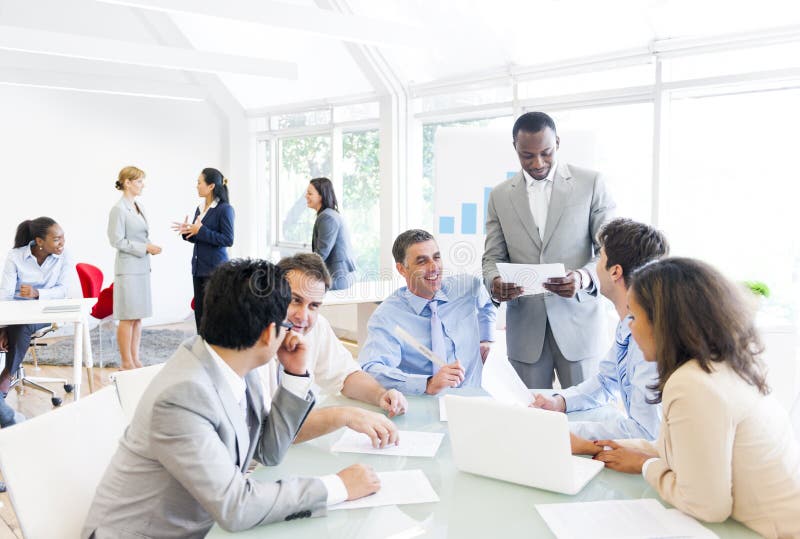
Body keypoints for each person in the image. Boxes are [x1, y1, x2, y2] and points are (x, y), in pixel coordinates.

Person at [82, 259, 381, 538]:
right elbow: (236, 507)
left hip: (203, 524)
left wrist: (294, 374)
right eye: (288, 317)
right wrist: (338, 486)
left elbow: (269, 451)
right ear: (268, 333)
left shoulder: (235, 360)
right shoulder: (182, 395)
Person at [588, 258, 800, 538]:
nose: (629, 327)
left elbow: (707, 506)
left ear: (664, 324)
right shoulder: (722, 364)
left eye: (634, 317)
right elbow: (683, 448)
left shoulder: (692, 384)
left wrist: (644, 465)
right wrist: (593, 446)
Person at [483, 111, 615, 389]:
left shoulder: (591, 183)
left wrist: (582, 278)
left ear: (557, 142)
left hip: (579, 328)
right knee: (530, 423)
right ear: (515, 149)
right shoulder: (499, 196)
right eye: (527, 156)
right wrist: (495, 283)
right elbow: (492, 257)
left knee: (585, 421)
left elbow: (608, 249)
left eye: (546, 152)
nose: (538, 163)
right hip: (525, 333)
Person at [533, 218, 667, 441]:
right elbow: (606, 382)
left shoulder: (649, 341)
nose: (595, 268)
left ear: (615, 272)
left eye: (600, 258)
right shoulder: (627, 324)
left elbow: (646, 433)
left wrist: (563, 432)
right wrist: (559, 402)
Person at [254, 253, 406, 448]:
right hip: (253, 464)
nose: (303, 316)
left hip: (290, 451)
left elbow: (346, 375)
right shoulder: (253, 343)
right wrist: (345, 415)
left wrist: (380, 395)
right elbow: (271, 432)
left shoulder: (315, 328)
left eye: (314, 306)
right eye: (295, 300)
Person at [360, 230, 496, 395]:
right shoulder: (387, 316)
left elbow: (488, 300)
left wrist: (486, 338)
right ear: (402, 269)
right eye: (422, 261)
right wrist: (427, 383)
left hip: (475, 398)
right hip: (425, 404)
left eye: (436, 257)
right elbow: (371, 368)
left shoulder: (466, 288)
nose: (434, 267)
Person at [0, 217, 75, 427]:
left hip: (44, 312)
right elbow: (5, 294)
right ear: (40, 241)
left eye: (63, 238)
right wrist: (2, 327)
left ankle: (5, 378)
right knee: (18, 326)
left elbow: (63, 289)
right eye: (57, 239)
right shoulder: (16, 256)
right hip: (15, 314)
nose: (62, 243)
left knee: (23, 327)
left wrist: (37, 293)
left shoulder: (64, 256)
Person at [108, 166, 161, 370]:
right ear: (127, 182)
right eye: (139, 181)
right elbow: (116, 241)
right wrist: (145, 247)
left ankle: (135, 358)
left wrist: (149, 247)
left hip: (141, 267)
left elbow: (139, 236)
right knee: (127, 316)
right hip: (128, 269)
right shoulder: (119, 209)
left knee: (137, 317)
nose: (142, 185)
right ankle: (126, 361)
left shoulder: (138, 206)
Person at [172, 167, 235, 331]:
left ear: (211, 186)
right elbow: (198, 236)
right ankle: (202, 349)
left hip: (215, 270)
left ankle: (214, 351)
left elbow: (228, 239)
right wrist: (188, 232)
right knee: (200, 313)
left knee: (213, 315)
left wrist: (201, 231)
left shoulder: (225, 209)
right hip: (199, 268)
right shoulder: (200, 208)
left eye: (199, 182)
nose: (197, 186)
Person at [307, 177, 356, 290]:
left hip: (337, 277)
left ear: (321, 196)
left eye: (310, 193)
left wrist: (303, 269)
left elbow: (321, 252)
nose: (306, 196)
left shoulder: (327, 217)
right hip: (338, 275)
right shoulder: (329, 214)